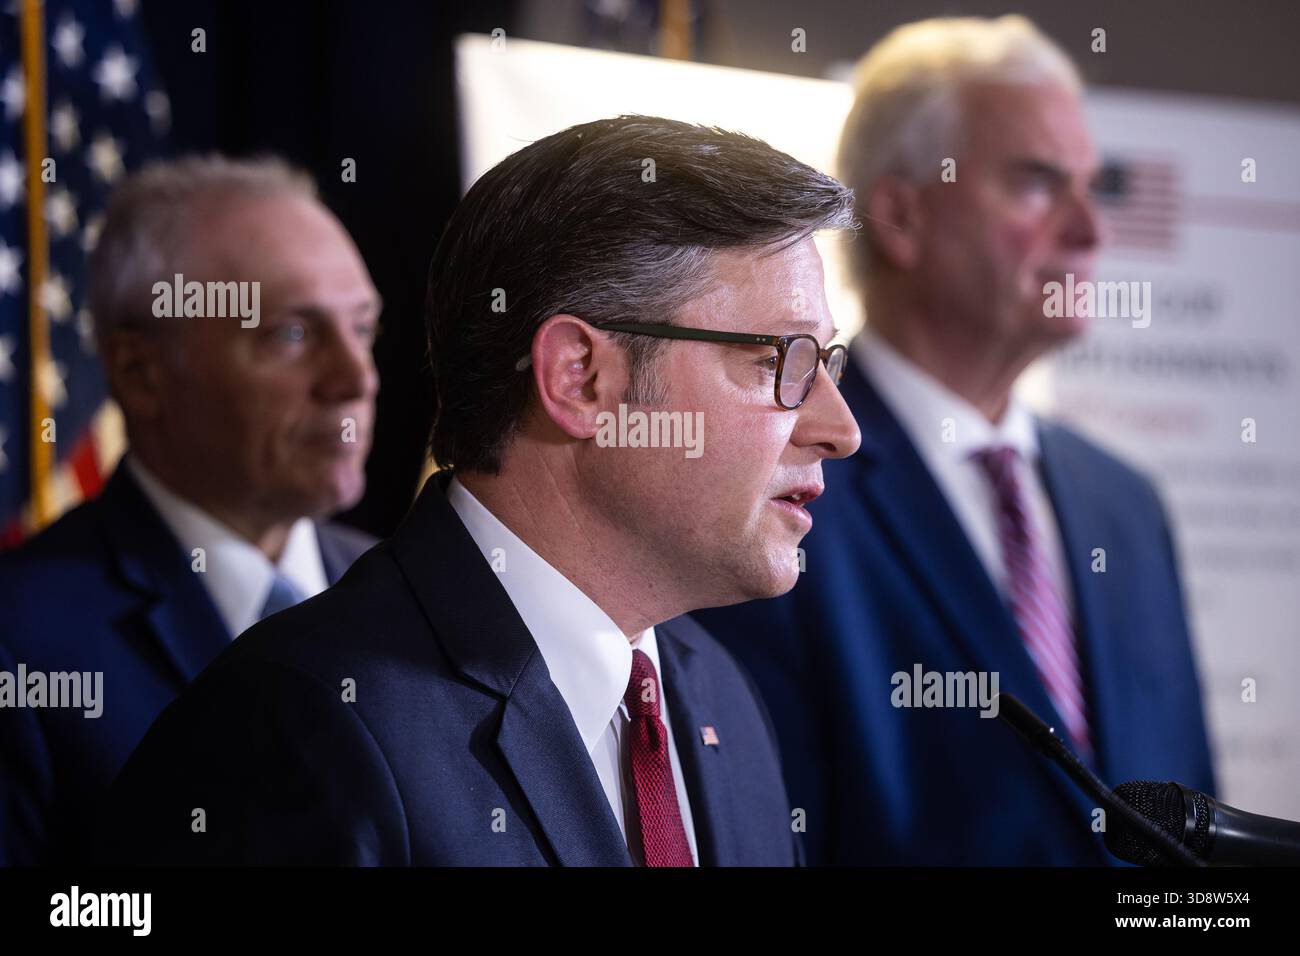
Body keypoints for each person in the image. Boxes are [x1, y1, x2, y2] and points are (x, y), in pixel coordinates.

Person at [94, 116, 861, 866]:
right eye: (780, 361)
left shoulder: (714, 693)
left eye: (828, 359)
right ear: (580, 377)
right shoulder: (299, 732)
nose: (841, 427)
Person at [695, 16, 1216, 865]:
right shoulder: (770, 477)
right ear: (901, 216)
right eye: (1041, 185)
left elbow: (1193, 836)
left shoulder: (1126, 506)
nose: (1091, 231)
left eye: (1094, 188)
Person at [0, 156, 380, 865]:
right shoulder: (20, 646)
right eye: (293, 335)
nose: (354, 379)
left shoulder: (403, 595)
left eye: (362, 329)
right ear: (142, 375)